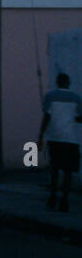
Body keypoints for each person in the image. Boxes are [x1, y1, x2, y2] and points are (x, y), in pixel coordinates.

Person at [38, 72, 82, 213]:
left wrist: (40, 136)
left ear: (57, 82)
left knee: (55, 169)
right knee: (68, 171)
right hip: (71, 139)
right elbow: (80, 118)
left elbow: (46, 117)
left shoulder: (50, 97)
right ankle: (64, 199)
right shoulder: (77, 99)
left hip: (55, 138)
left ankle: (52, 196)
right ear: (68, 82)